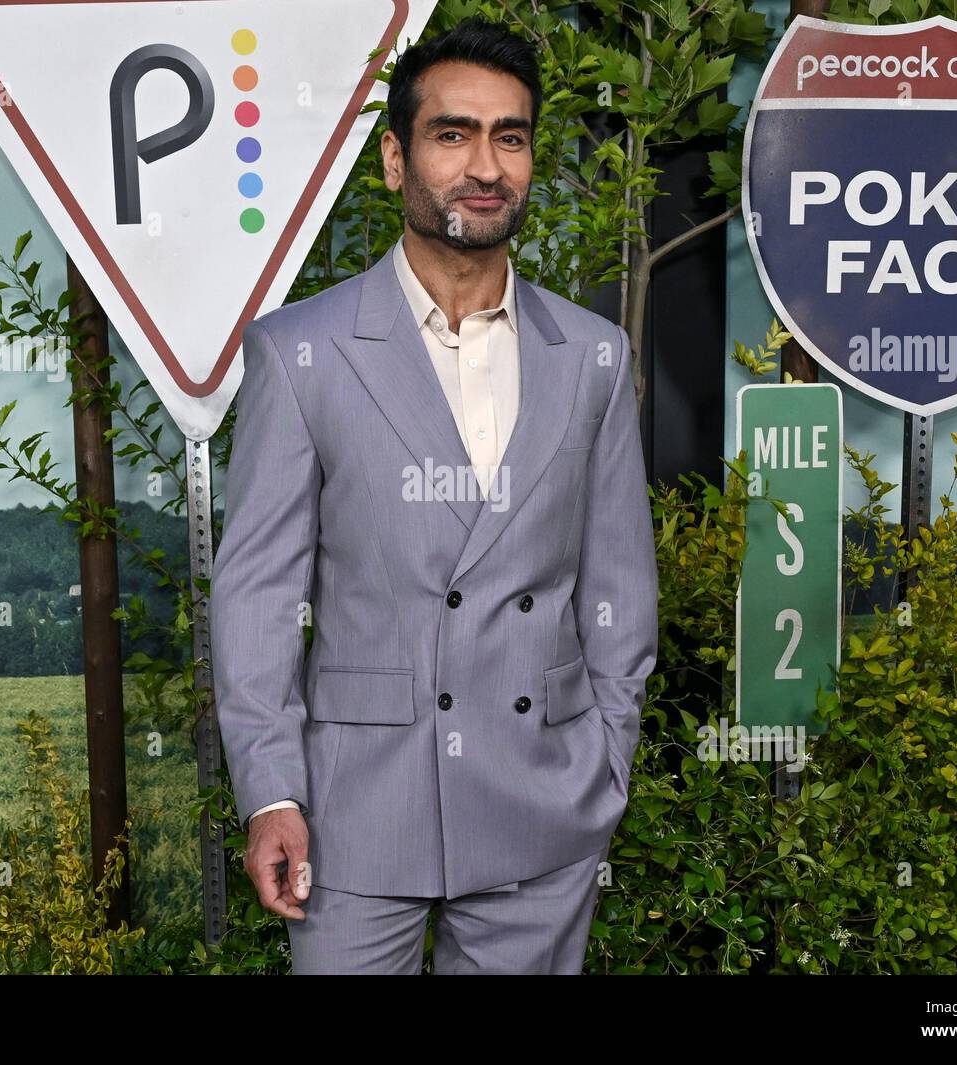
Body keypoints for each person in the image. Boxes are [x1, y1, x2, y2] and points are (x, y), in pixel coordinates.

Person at [211, 15, 658, 974]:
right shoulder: (302, 352)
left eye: (511, 137)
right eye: (452, 134)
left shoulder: (593, 356)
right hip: (351, 809)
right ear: (394, 160)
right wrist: (272, 792)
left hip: (542, 805)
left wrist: (605, 760)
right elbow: (257, 595)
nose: (484, 166)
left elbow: (620, 584)